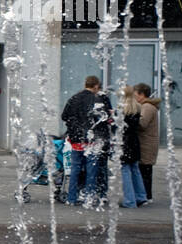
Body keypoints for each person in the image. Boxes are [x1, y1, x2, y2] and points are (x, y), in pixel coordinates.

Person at [61, 75, 112, 207]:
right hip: (92, 140)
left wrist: (73, 127)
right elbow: (105, 118)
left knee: (75, 169)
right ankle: (89, 198)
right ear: (95, 86)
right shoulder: (96, 99)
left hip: (76, 140)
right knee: (91, 170)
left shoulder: (74, 98)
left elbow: (64, 116)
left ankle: (71, 198)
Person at [119, 86, 148, 208]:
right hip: (134, 142)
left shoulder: (121, 109)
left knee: (125, 170)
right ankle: (140, 196)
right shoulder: (138, 107)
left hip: (124, 143)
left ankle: (129, 201)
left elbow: (119, 128)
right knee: (135, 169)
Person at [134, 82, 159, 203]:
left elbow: (142, 123)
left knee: (145, 171)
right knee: (145, 170)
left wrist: (130, 119)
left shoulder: (147, 107)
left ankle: (146, 196)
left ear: (141, 94)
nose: (134, 98)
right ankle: (146, 195)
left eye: (135, 95)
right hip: (147, 143)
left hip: (146, 144)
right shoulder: (147, 106)